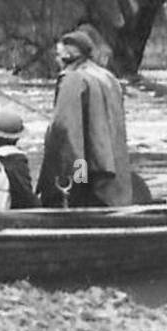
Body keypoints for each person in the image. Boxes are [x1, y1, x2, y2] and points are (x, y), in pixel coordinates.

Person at [36, 29, 132, 207]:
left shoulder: (72, 79)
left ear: (66, 57)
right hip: (112, 173)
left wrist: (76, 179)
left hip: (86, 176)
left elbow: (67, 132)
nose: (56, 59)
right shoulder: (108, 77)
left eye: (58, 55)